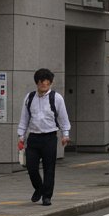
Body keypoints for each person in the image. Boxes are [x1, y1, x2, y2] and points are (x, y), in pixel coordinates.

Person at [17, 68, 71, 207]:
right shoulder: (29, 98)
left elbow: (63, 117)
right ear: (37, 83)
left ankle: (47, 196)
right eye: (41, 83)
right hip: (33, 137)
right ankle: (39, 188)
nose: (43, 86)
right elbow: (24, 118)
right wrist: (21, 136)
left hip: (49, 137)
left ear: (50, 84)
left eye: (46, 84)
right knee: (31, 167)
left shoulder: (56, 98)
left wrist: (65, 135)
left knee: (49, 168)